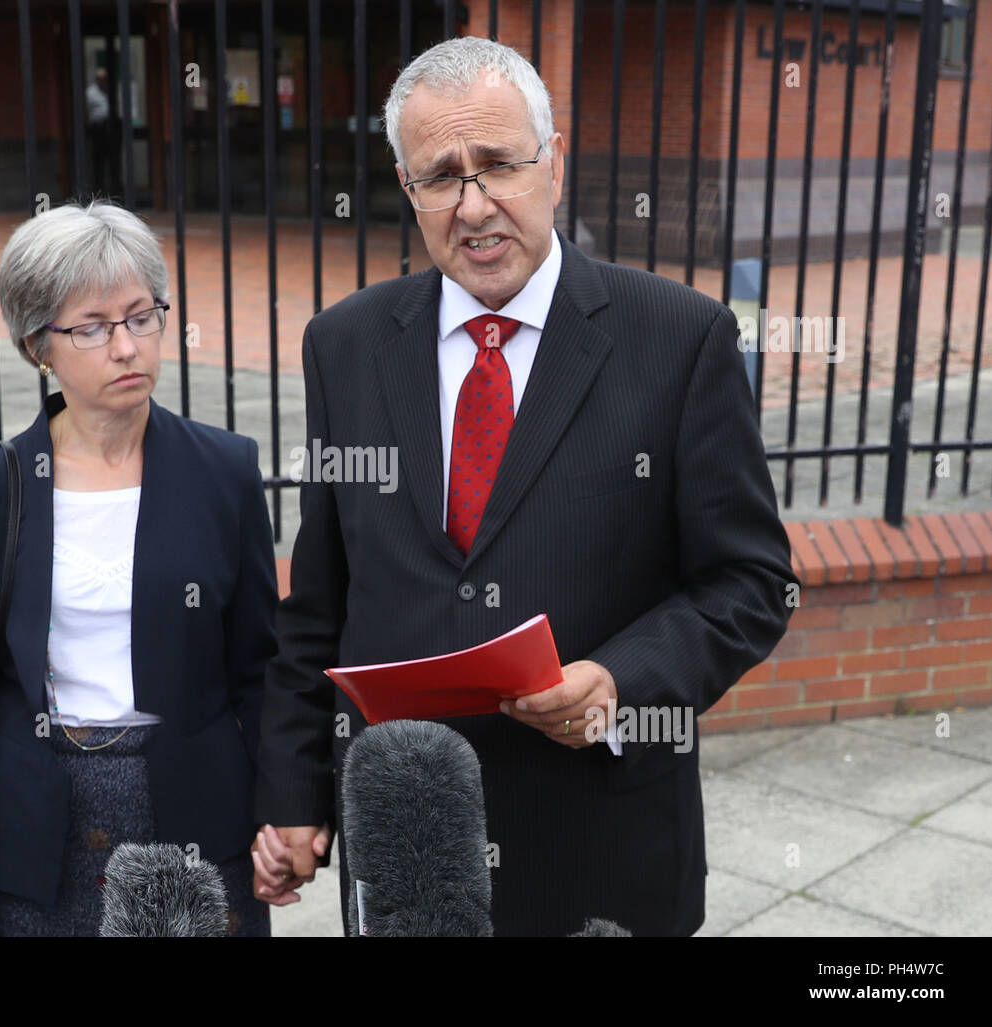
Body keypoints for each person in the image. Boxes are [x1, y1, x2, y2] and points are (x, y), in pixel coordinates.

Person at [250, 36, 797, 936]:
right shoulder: (342, 345)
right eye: (440, 176)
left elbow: (750, 583)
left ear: (553, 165)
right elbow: (321, 600)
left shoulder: (679, 338)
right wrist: (294, 790)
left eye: (499, 164)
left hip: (601, 838)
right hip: (404, 844)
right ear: (406, 185)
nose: (473, 205)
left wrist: (621, 682)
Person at [0, 199, 278, 936]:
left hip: (195, 821)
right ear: (36, 345)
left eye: (142, 316)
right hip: (42, 835)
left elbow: (261, 671)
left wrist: (284, 814)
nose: (126, 346)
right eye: (92, 327)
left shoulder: (225, 471)